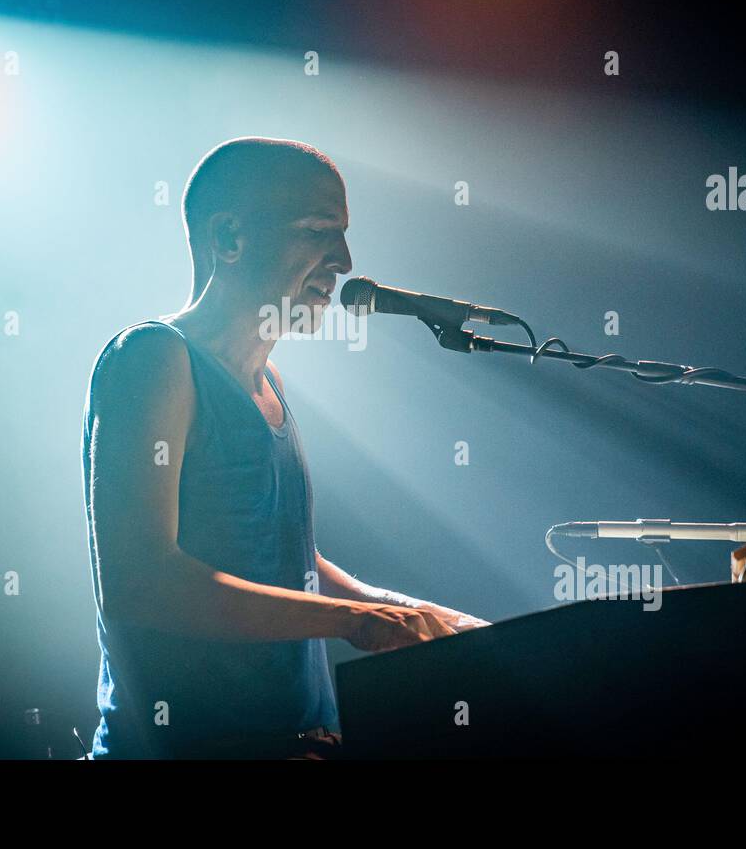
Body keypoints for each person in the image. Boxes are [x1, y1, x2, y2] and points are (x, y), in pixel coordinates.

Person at [82, 136, 488, 759]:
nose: (346, 260)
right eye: (318, 231)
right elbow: (142, 581)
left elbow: (285, 557)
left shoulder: (267, 380)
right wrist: (353, 624)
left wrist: (426, 619)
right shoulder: (151, 358)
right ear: (229, 239)